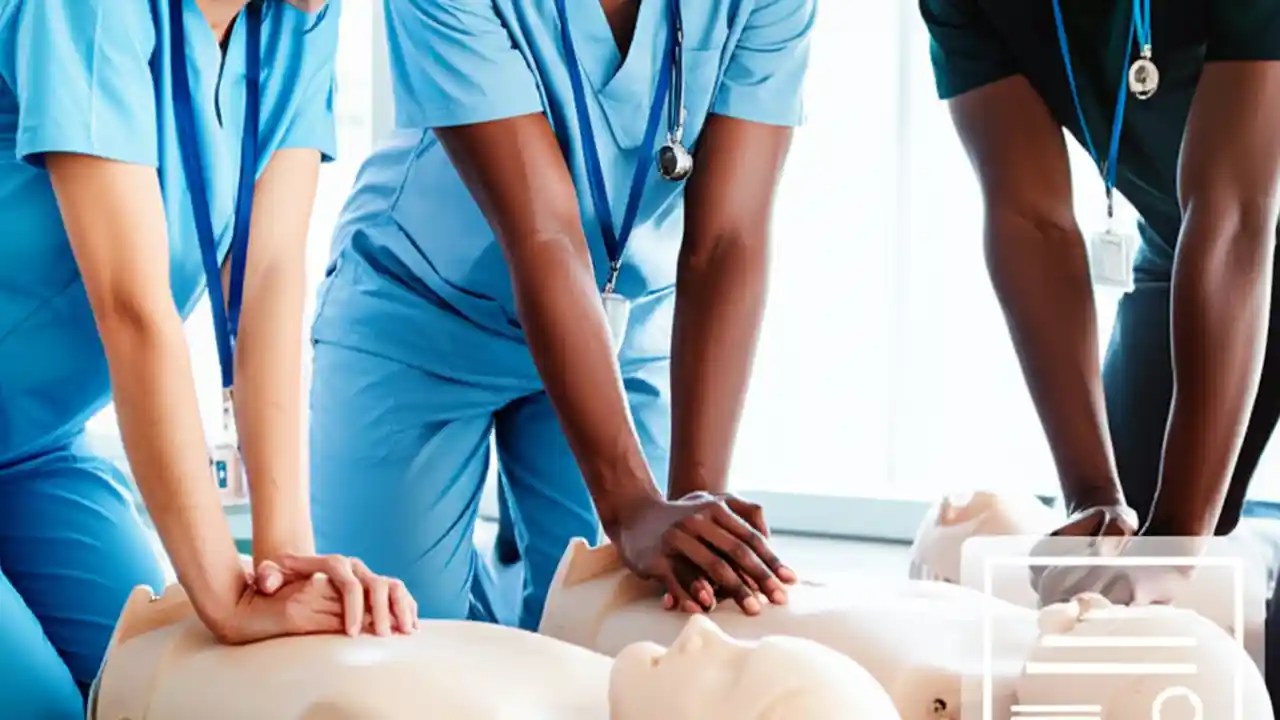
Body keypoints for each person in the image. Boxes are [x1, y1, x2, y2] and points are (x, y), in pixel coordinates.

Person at [310, 0, 816, 631]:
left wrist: (691, 504)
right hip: (422, 317)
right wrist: (630, 503)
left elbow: (726, 241)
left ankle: (518, 569)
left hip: (613, 332)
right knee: (398, 637)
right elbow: (543, 233)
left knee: (621, 631)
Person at [0, 1, 413, 717]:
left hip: (33, 449)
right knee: (43, 707)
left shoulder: (298, 18)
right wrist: (224, 594)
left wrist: (285, 570)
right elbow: (132, 310)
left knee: (163, 689)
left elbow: (269, 281)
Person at [918, 0, 1280, 701]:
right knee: (1096, 589)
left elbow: (1237, 212)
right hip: (1187, 243)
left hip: (1237, 217)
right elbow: (1030, 217)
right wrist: (1096, 493)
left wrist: (1178, 538)